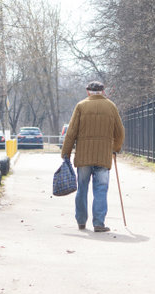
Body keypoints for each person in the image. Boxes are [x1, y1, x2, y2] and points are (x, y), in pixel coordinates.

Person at [61, 81, 125, 232]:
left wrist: (66, 153)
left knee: (82, 188)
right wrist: (115, 148)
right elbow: (120, 133)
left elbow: (71, 132)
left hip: (83, 157)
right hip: (103, 156)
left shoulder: (81, 106)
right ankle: (98, 223)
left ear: (88, 92)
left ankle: (81, 221)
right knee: (101, 189)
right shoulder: (111, 106)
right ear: (103, 91)